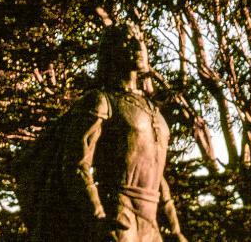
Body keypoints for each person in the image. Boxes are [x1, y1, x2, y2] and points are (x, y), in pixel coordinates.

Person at [63, 21, 189, 242]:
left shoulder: (152, 108)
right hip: (120, 215)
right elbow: (77, 165)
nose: (138, 46)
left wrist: (174, 227)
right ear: (111, 51)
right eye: (127, 41)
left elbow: (157, 172)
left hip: (151, 223)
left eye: (140, 40)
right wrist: (98, 217)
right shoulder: (102, 101)